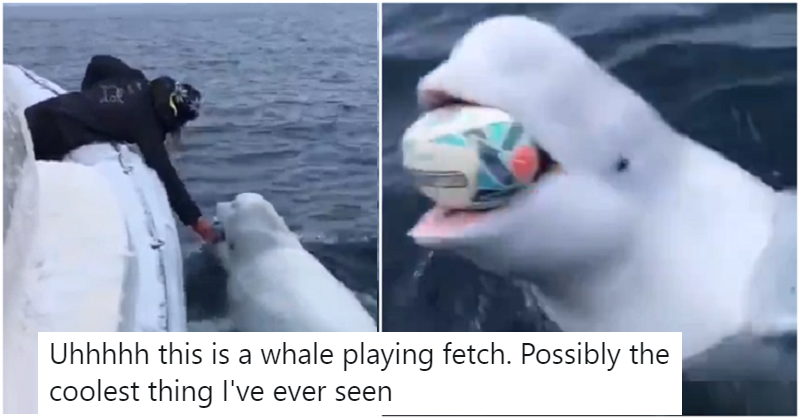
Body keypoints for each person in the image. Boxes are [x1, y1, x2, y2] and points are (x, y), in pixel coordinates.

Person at [24, 54, 219, 244]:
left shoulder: (135, 79)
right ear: (174, 115)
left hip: (39, 112)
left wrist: (90, 99)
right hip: (50, 135)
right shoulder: (147, 127)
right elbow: (167, 176)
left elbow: (98, 62)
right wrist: (197, 222)